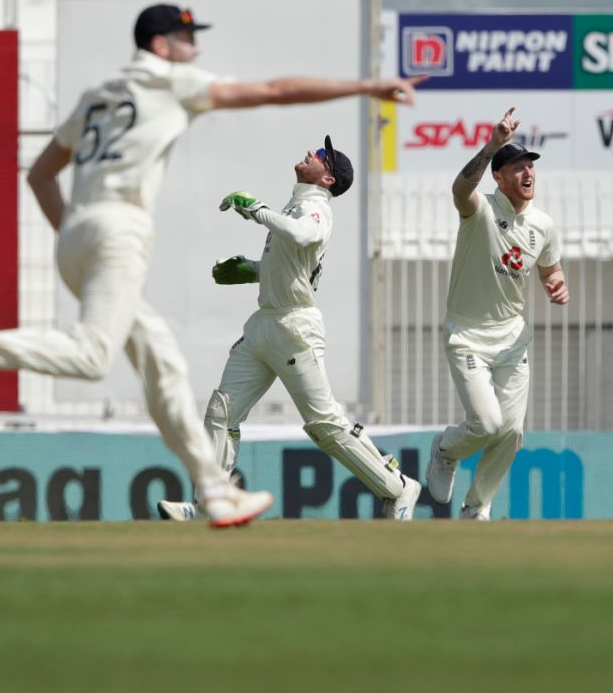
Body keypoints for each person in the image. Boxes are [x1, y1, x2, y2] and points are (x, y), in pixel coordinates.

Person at [0, 2, 426, 528]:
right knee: (98, 355)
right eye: (188, 39)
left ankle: (214, 493)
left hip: (82, 236)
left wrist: (78, 239)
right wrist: (368, 87)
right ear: (162, 46)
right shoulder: (171, 85)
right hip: (126, 240)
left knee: (168, 368)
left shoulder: (98, 95)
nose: (197, 50)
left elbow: (40, 176)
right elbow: (276, 91)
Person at [156, 136, 422, 521]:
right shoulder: (296, 205)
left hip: (295, 326)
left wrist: (256, 209)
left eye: (322, 156)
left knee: (324, 424)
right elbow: (288, 267)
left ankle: (398, 488)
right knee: (221, 412)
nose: (312, 153)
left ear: (328, 179)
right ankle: (207, 504)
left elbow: (302, 234)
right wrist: (250, 268)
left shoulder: (317, 207)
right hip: (265, 324)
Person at [423, 108, 569, 520]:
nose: (527, 174)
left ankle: (476, 509)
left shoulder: (543, 225)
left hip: (511, 340)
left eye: (530, 168)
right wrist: (491, 146)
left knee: (511, 431)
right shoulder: (479, 210)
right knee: (486, 424)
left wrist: (556, 283)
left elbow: (550, 268)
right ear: (499, 177)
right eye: (517, 168)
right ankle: (445, 449)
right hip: (467, 335)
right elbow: (459, 187)